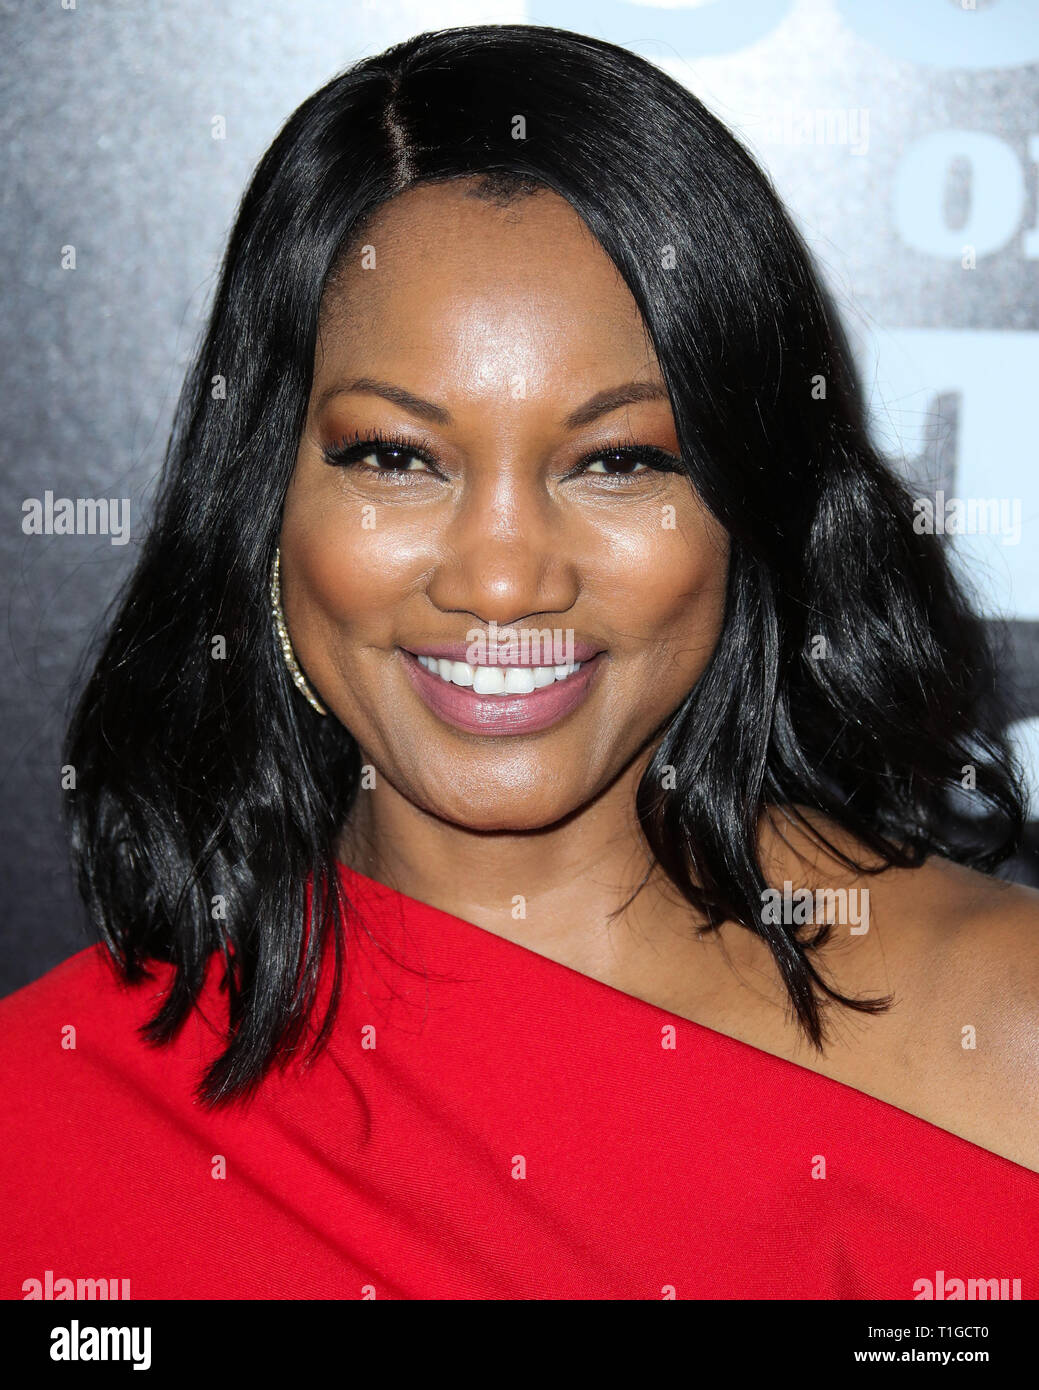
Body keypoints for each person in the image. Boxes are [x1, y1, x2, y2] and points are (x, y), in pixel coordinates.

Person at [2, 23, 1038, 1301]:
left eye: (618, 460)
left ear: (745, 506)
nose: (501, 580)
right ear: (264, 495)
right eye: (394, 456)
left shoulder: (1007, 1035)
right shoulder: (47, 1117)